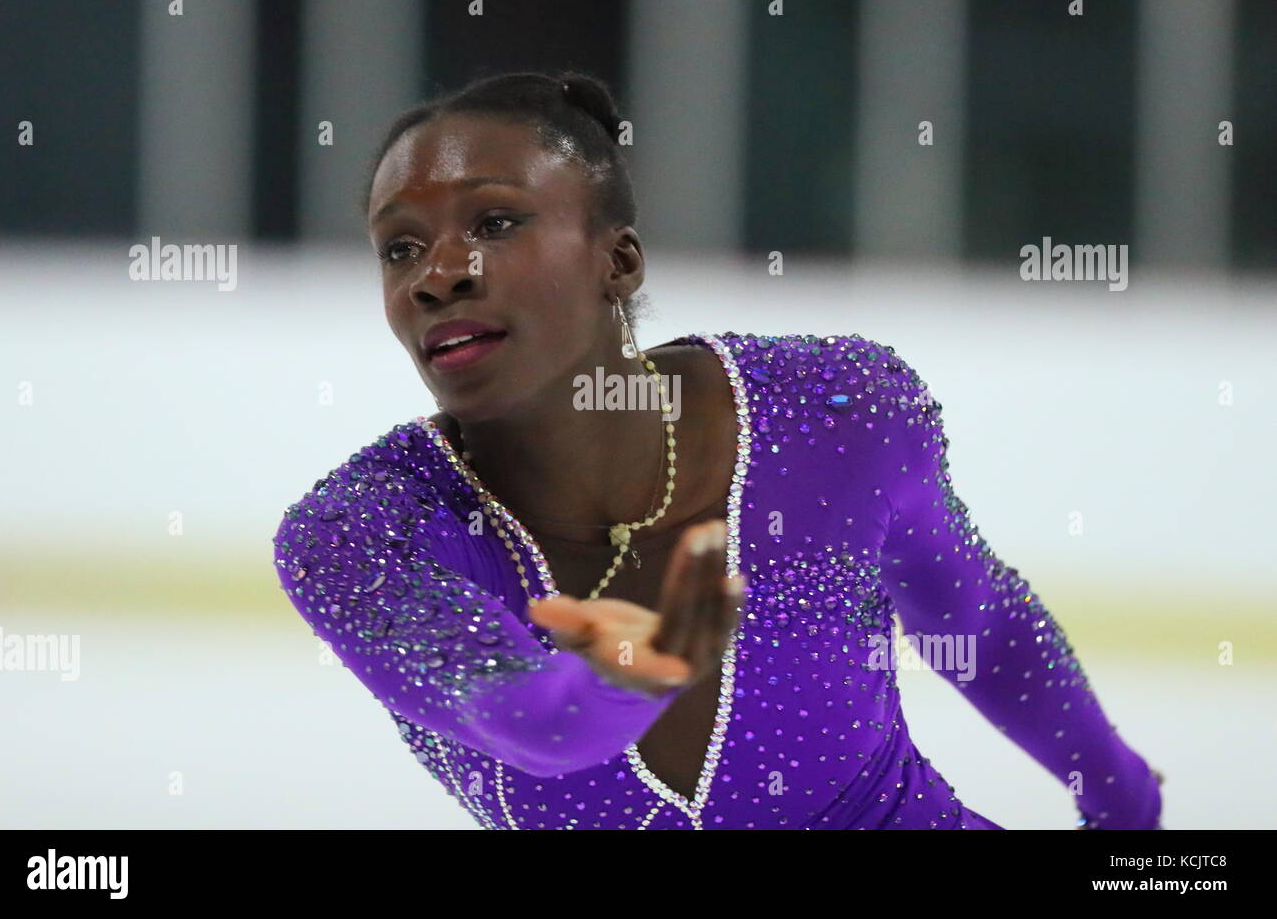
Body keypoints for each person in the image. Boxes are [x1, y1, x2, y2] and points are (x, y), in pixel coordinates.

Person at [272, 70, 1163, 829]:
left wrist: (1125, 806)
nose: (439, 274)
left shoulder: (834, 417)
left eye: (496, 223)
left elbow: (973, 614)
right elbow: (527, 724)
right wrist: (620, 678)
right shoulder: (365, 535)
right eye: (401, 248)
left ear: (617, 261)